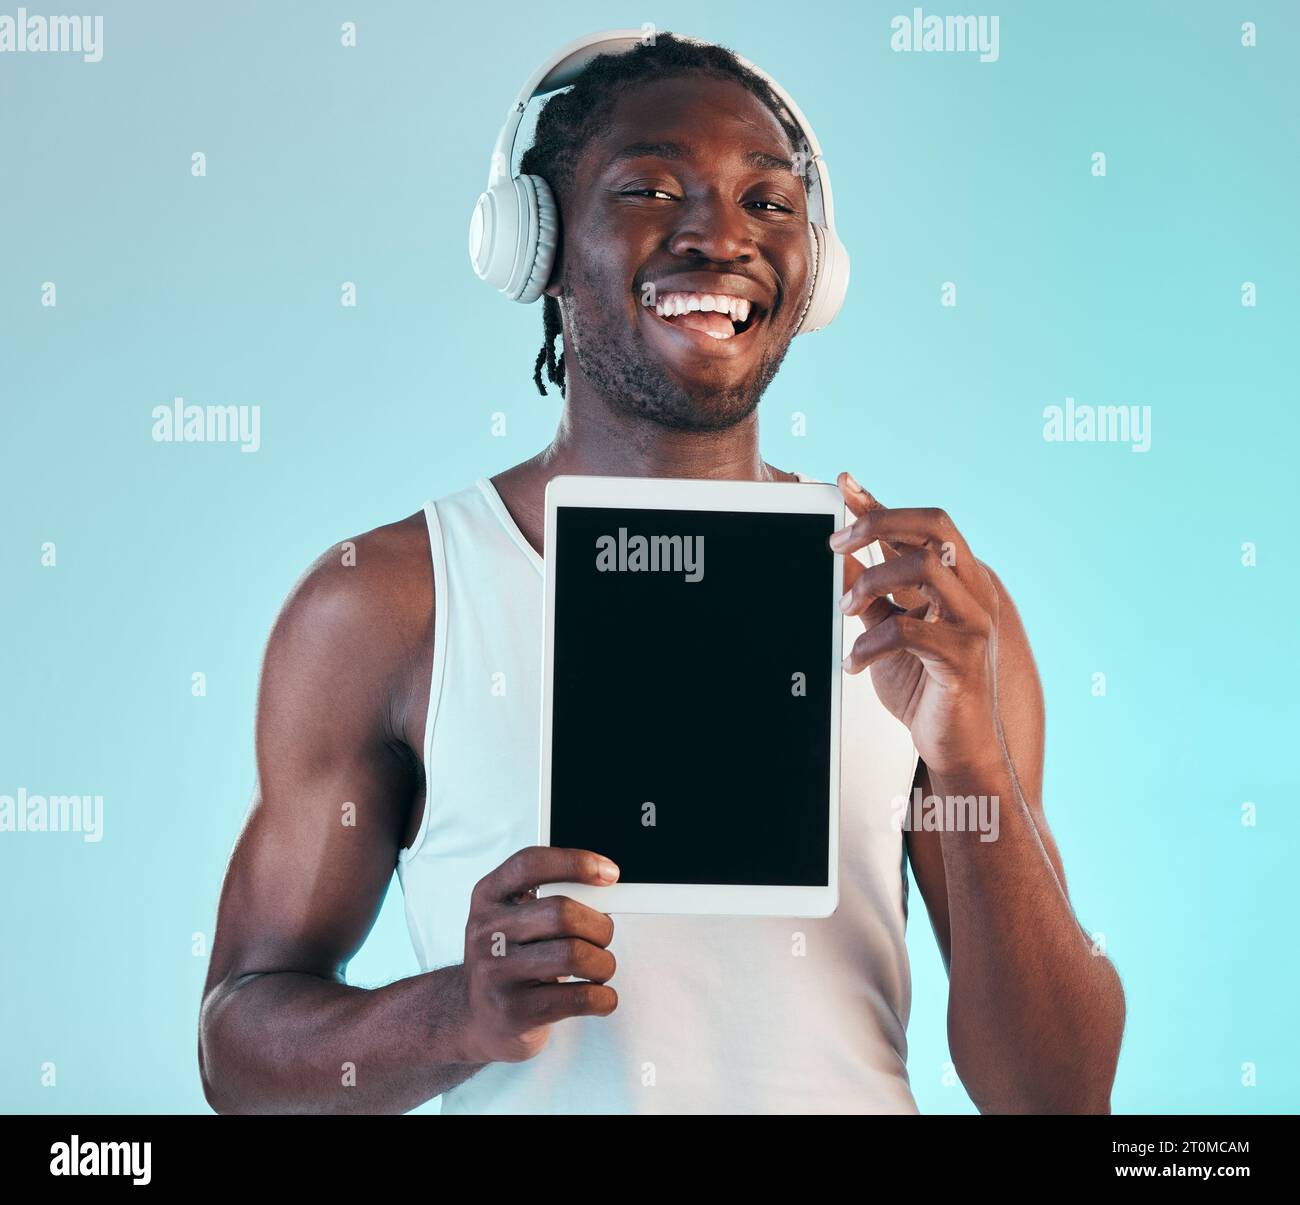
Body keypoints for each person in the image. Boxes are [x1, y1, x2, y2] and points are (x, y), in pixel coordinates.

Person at [198, 31, 1125, 1115]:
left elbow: (1059, 1096)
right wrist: (456, 1012)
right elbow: (237, 1050)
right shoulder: (392, 599)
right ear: (535, 249)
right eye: (647, 187)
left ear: (814, 267)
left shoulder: (919, 603)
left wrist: (967, 756)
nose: (719, 235)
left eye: (768, 203)